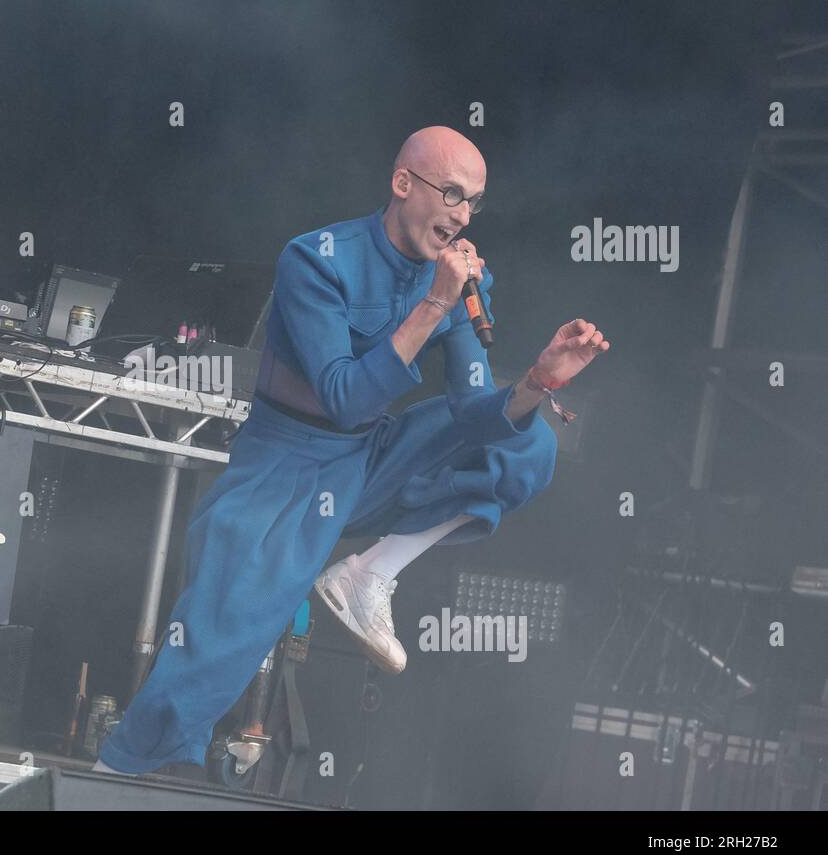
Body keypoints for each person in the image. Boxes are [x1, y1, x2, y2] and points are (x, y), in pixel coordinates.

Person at [95, 126, 609, 775]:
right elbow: (343, 397)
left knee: (528, 441)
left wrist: (539, 378)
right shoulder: (317, 259)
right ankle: (120, 779)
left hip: (367, 460)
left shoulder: (461, 282)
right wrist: (433, 305)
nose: (461, 216)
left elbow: (474, 409)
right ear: (403, 185)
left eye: (473, 203)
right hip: (284, 464)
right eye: (451, 194)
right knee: (215, 649)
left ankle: (370, 574)